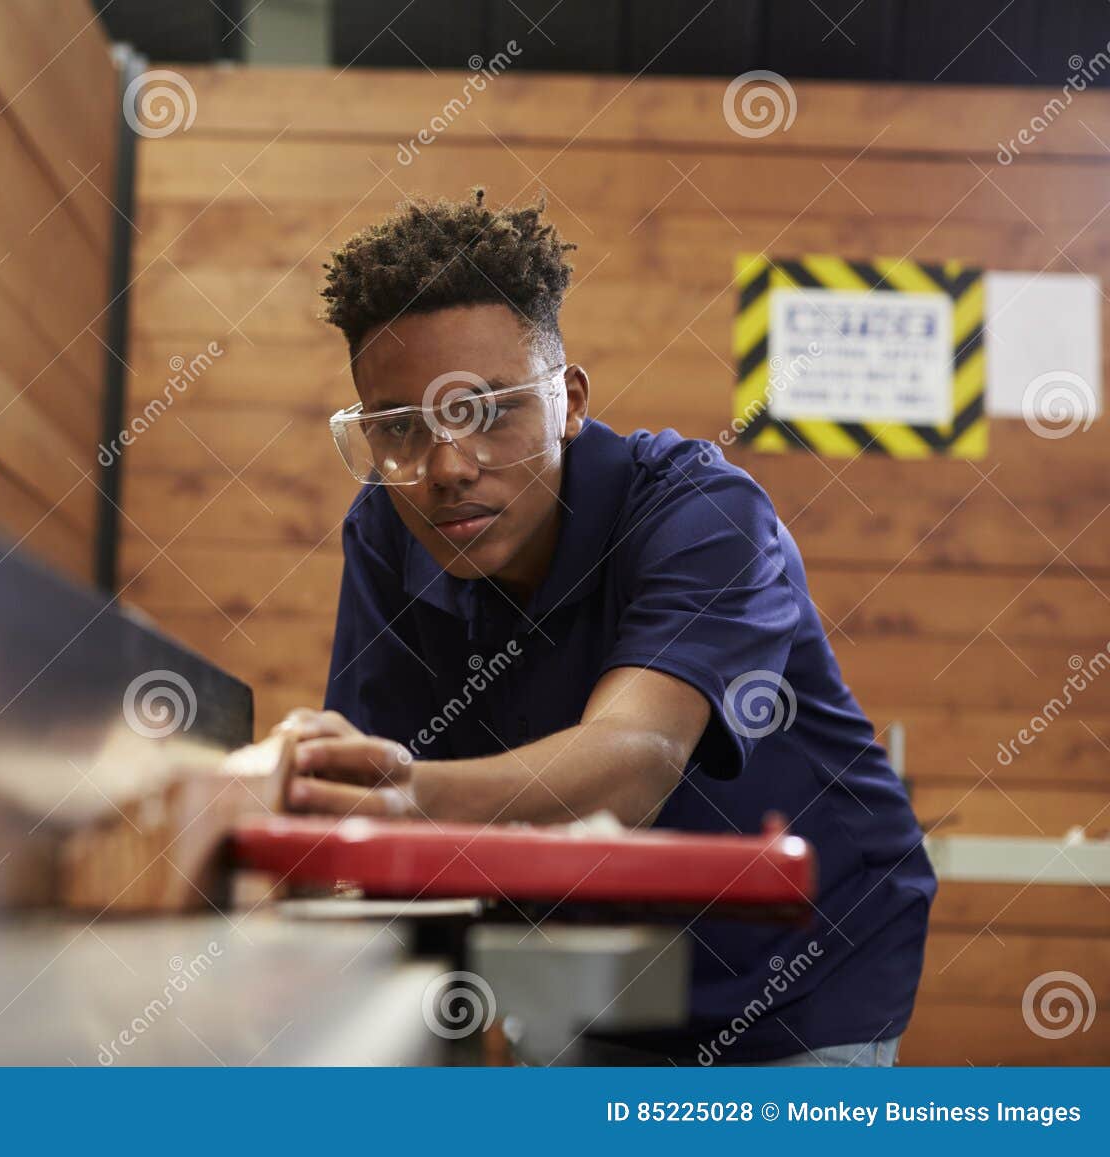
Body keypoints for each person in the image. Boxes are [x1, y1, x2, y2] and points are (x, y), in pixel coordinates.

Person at [274, 189, 934, 1066]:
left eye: (486, 411)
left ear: (569, 399)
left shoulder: (704, 511)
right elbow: (391, 780)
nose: (446, 467)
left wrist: (405, 798)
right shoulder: (386, 531)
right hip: (594, 964)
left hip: (802, 970)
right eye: (399, 428)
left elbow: (634, 761)